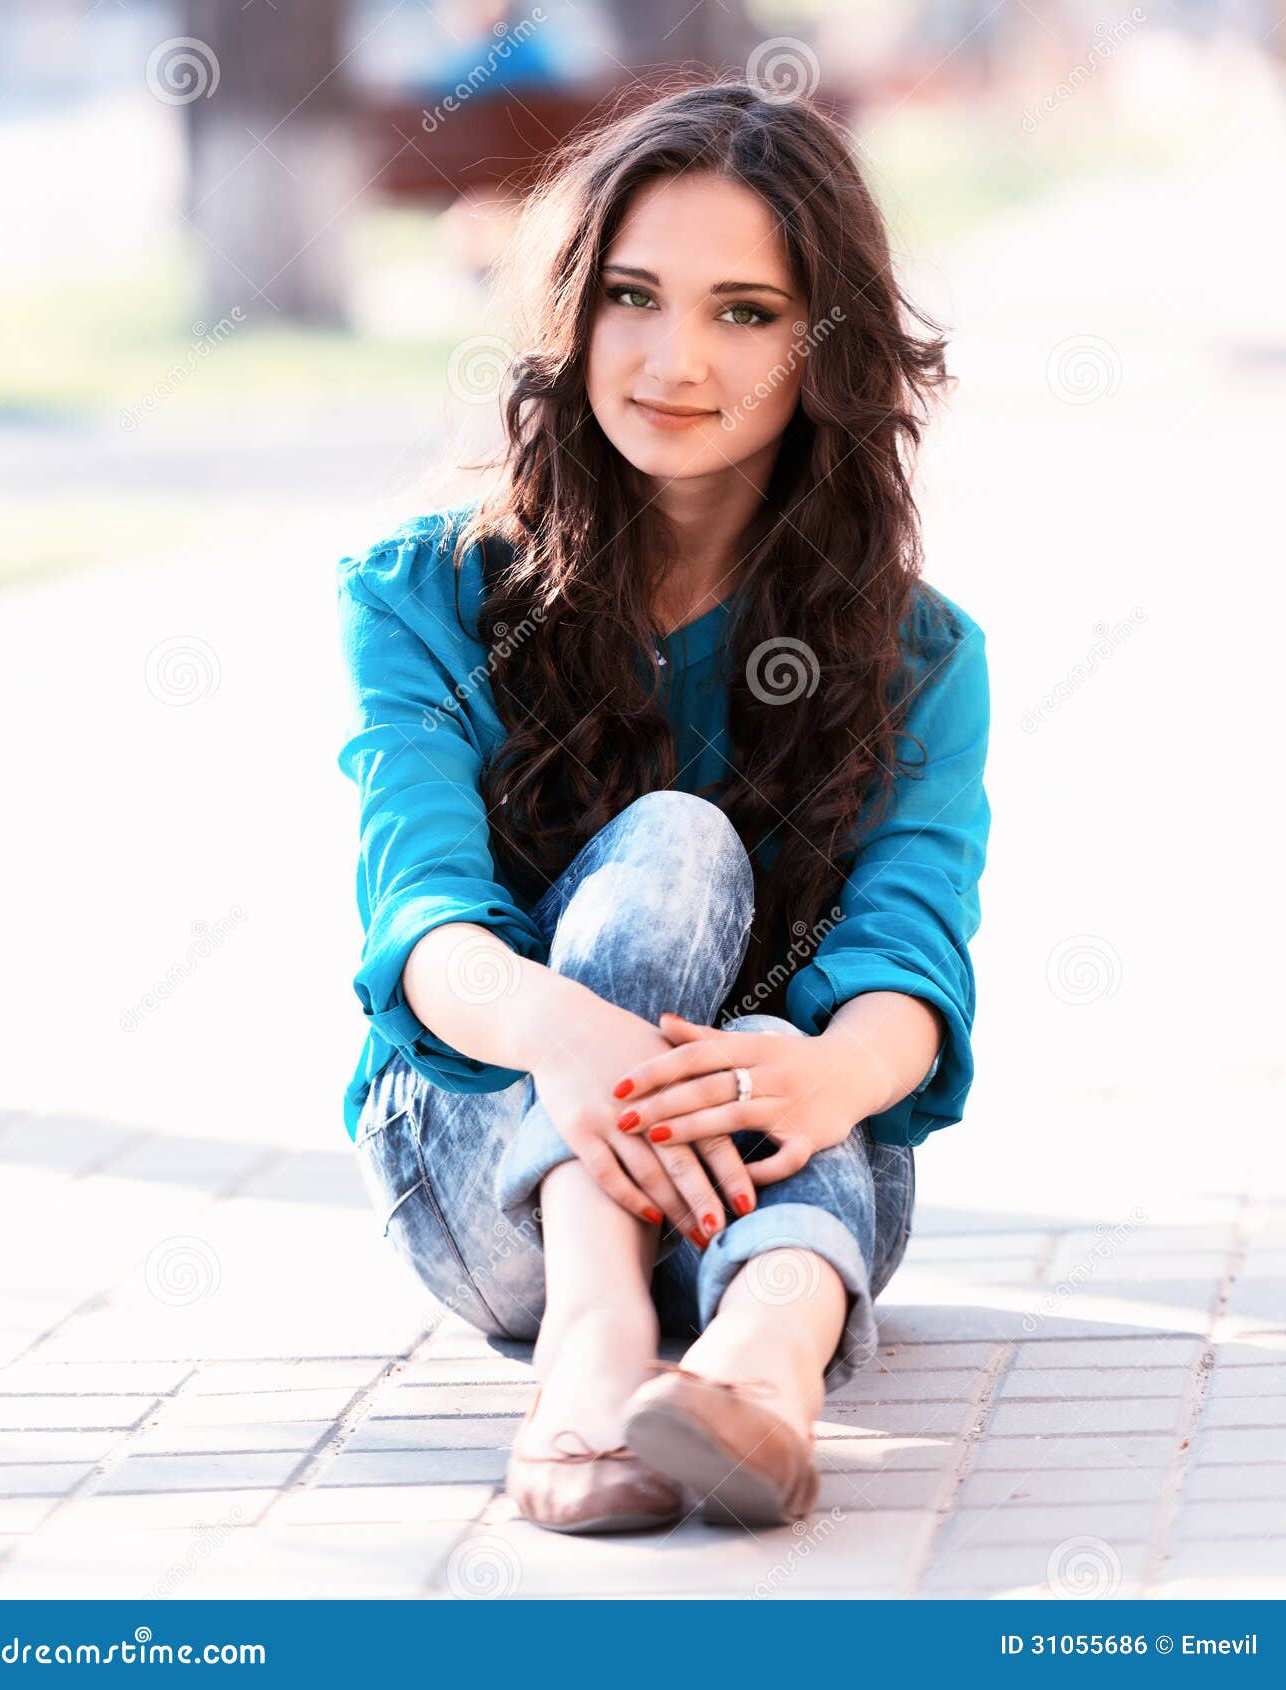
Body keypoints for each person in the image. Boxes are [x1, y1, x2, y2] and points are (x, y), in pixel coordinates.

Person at [334, 77, 991, 1535]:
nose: (674, 358)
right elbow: (423, 919)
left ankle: (761, 1385)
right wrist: (571, 1035)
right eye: (632, 295)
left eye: (745, 312)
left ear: (824, 347)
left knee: (797, 1048)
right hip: (489, 1162)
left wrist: (816, 1079)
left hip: (777, 1177)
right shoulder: (424, 592)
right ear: (572, 314)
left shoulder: (919, 653)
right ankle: (597, 1334)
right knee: (679, 844)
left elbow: (909, 953)